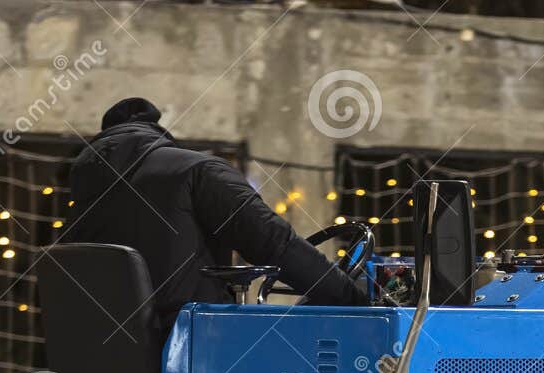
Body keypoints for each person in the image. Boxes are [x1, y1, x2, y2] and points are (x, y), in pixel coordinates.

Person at [61, 97, 366, 320]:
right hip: (188, 357)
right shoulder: (196, 171)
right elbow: (274, 244)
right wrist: (357, 300)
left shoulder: (84, 197)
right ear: (157, 135)